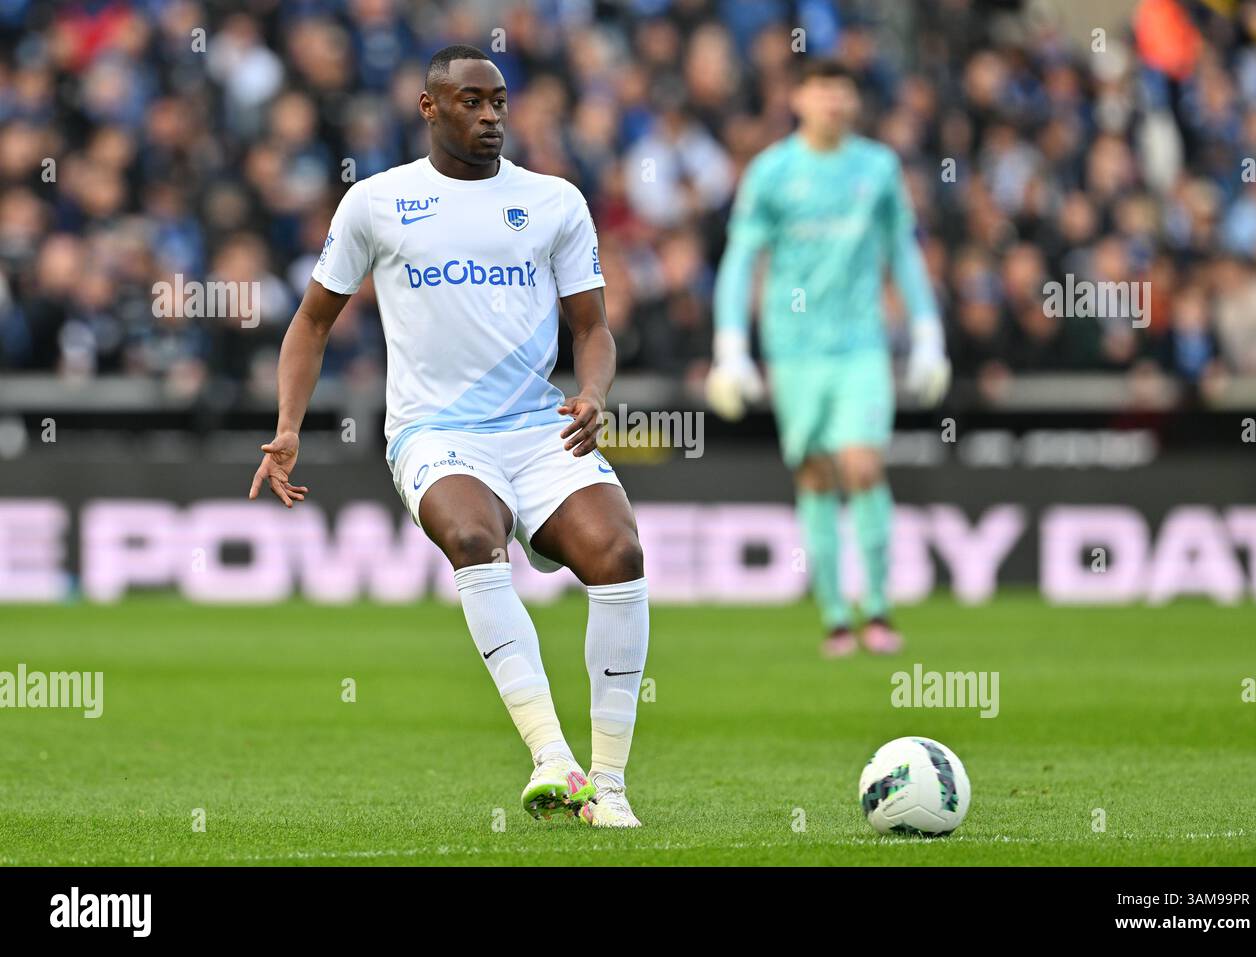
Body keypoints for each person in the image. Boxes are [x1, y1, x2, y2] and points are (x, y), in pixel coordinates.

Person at [249, 44, 648, 827]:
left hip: (538, 425)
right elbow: (312, 321)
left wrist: (594, 391)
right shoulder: (376, 202)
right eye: (472, 101)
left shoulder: (555, 201)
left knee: (621, 554)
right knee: (472, 535)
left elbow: (593, 327)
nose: (492, 115)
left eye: (499, 101)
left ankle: (608, 782)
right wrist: (288, 426)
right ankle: (551, 757)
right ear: (430, 107)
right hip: (435, 431)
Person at [708, 58, 950, 658]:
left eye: (843, 92)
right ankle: (836, 614)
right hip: (792, 351)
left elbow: (902, 250)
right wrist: (730, 345)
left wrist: (927, 332)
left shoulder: (878, 167)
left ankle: (879, 606)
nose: (833, 103)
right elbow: (741, 260)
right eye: (822, 92)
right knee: (815, 471)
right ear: (799, 99)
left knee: (862, 464)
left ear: (853, 102)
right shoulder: (772, 172)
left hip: (861, 345)